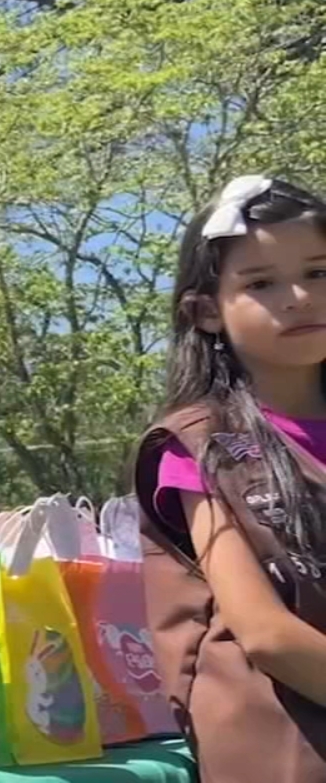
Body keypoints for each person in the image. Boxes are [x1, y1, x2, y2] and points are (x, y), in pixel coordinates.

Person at [135, 176, 326, 782]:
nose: (298, 296)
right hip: (286, 749)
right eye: (261, 283)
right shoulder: (197, 445)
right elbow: (265, 633)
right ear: (207, 312)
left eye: (319, 272)